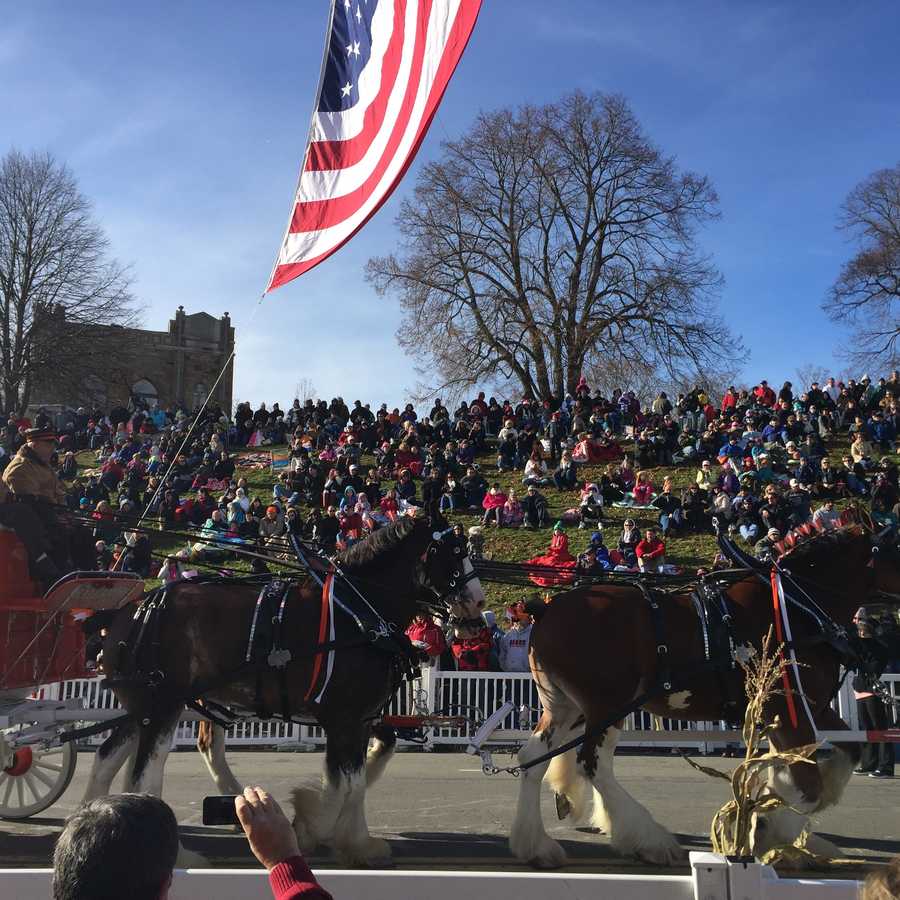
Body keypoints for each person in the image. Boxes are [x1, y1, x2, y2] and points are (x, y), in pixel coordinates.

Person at [499, 601, 533, 672]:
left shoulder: (533, 634)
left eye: (523, 616)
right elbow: (502, 655)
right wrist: (506, 669)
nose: (521, 619)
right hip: (510, 677)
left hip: (528, 677)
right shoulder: (508, 636)